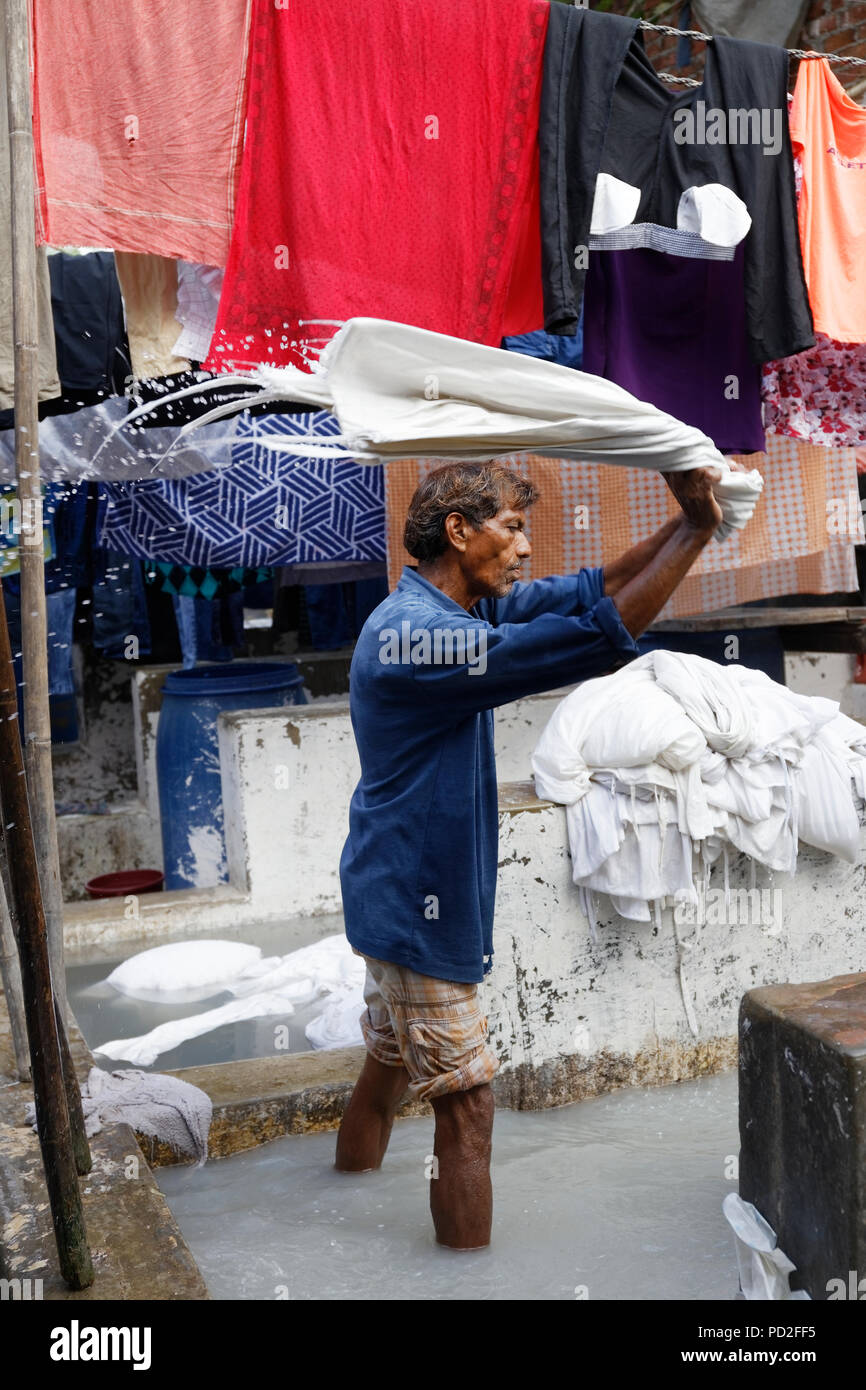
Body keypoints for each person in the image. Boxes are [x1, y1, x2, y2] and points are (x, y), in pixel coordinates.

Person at [335, 459, 724, 1249]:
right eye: (511, 529)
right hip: (417, 904)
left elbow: (588, 591)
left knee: (386, 1069)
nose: (524, 550)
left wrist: (689, 522)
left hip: (389, 892)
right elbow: (598, 636)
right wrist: (698, 530)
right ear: (458, 530)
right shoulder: (421, 640)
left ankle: (337, 1200)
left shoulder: (445, 610)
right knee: (469, 1108)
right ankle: (466, 1274)